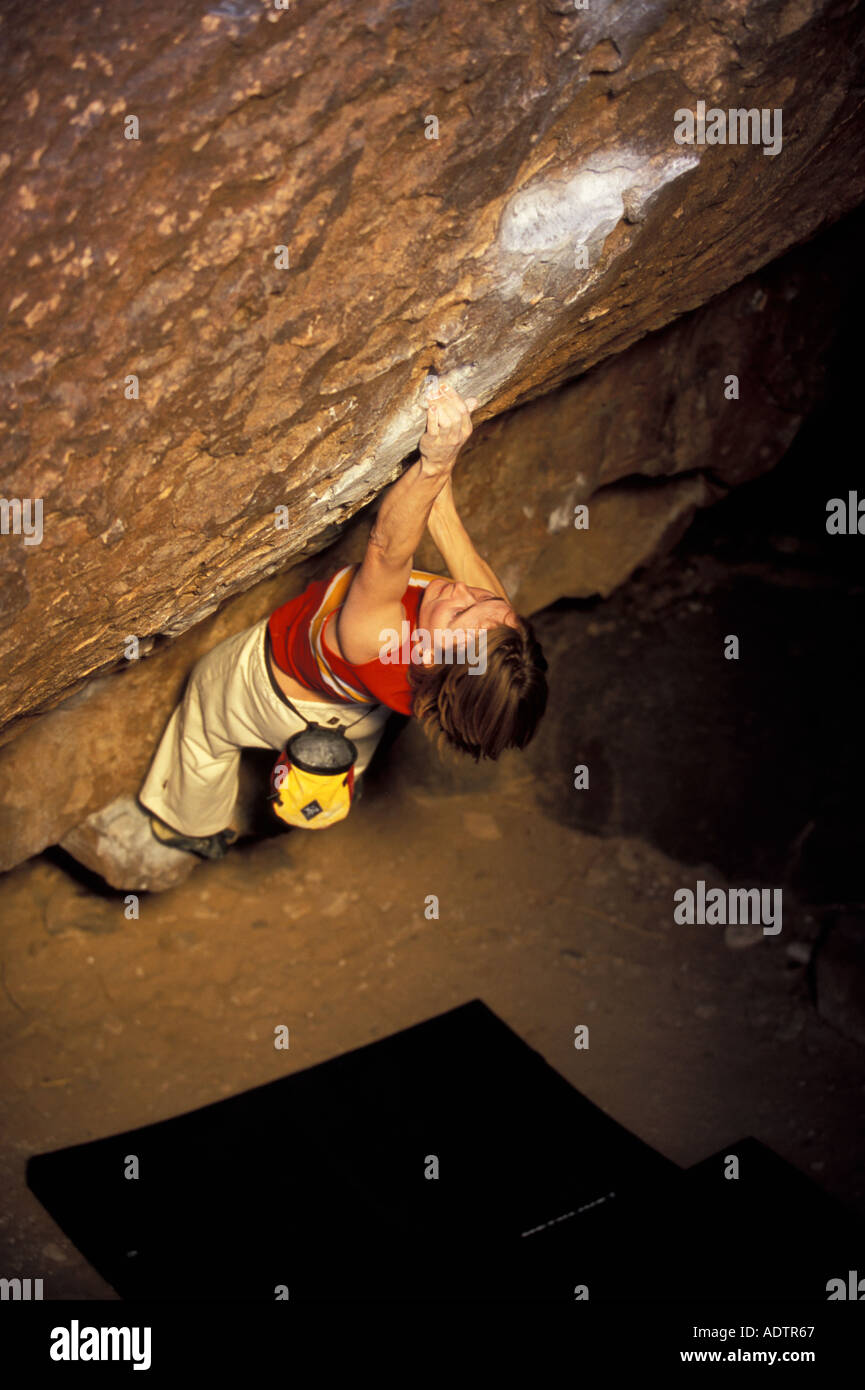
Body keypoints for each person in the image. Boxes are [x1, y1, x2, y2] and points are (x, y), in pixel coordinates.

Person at [139, 382, 548, 859]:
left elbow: (387, 550)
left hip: (272, 692)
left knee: (205, 722)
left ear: (431, 657)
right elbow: (451, 533)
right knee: (360, 725)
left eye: (458, 612)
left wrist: (435, 464)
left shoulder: (376, 637)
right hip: (360, 720)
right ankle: (330, 778)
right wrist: (442, 449)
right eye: (486, 602)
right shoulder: (484, 638)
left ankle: (188, 826)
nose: (464, 591)